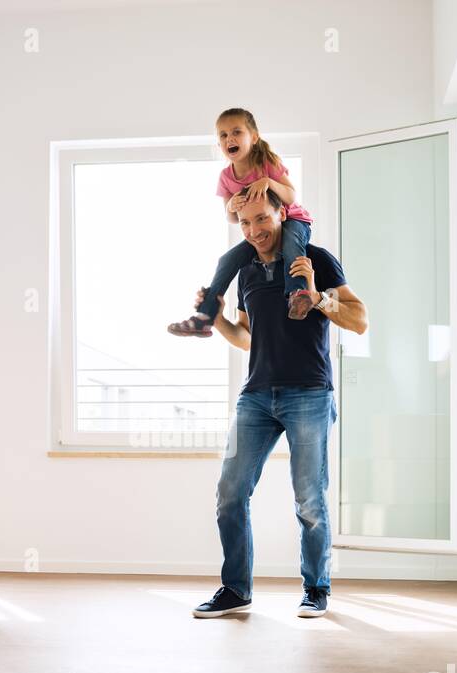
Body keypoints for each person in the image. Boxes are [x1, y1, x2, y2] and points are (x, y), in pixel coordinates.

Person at [191, 186, 367, 619]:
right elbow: (246, 337)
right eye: (245, 223)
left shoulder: (316, 258)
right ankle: (235, 589)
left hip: (308, 392)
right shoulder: (246, 273)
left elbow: (359, 321)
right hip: (256, 396)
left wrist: (319, 295)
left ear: (281, 215)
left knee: (309, 498)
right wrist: (216, 321)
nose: (254, 230)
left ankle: (316, 588)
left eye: (262, 220)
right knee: (230, 493)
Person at [167, 107, 316, 338]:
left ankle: (298, 295)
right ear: (220, 145)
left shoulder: (266, 163)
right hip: (263, 231)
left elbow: (290, 196)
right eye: (224, 135)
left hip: (293, 220)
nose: (230, 139)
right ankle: (205, 317)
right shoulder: (226, 177)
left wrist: (268, 182)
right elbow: (231, 218)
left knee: (290, 246)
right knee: (227, 260)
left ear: (254, 138)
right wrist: (231, 205)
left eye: (237, 132)